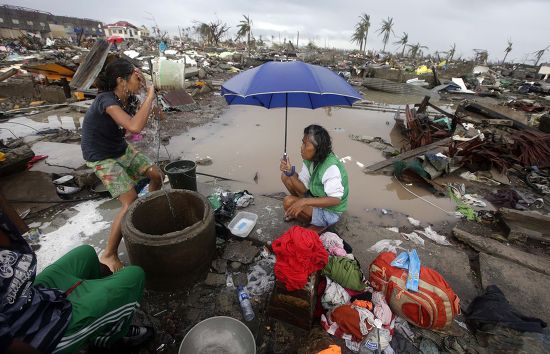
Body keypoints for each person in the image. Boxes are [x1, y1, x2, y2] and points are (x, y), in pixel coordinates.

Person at [0, 193, 152, 353]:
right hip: (40, 333)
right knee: (133, 277)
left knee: (85, 253)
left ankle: (102, 323)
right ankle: (110, 338)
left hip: (30, 294)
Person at [81, 58, 163, 272]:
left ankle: (147, 212)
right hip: (100, 155)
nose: (139, 81)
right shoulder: (105, 100)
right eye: (136, 78)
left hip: (119, 148)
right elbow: (134, 127)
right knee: (129, 200)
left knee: (156, 175)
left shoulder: (129, 97)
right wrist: (149, 95)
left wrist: (149, 94)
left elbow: (157, 116)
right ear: (121, 80)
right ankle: (108, 254)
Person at [280, 124, 349, 233]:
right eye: (302, 142)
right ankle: (305, 214)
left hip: (330, 211)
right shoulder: (310, 160)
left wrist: (304, 202)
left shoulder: (330, 167)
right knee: (286, 176)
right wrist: (290, 171)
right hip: (316, 196)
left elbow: (335, 199)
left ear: (318, 148)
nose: (301, 147)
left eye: (305, 144)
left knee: (288, 202)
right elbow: (303, 189)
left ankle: (320, 223)